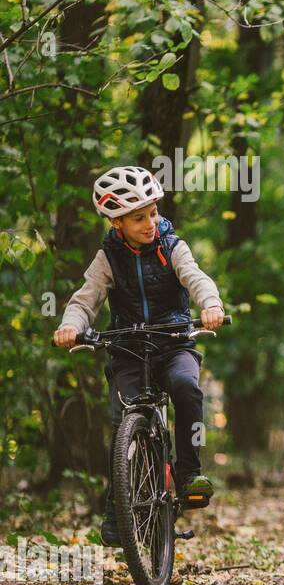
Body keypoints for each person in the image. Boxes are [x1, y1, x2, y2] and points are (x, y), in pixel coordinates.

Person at [53, 166, 226, 545]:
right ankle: (118, 510)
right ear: (117, 223)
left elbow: (195, 277)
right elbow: (86, 299)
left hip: (174, 340)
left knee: (186, 387)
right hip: (128, 349)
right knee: (123, 422)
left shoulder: (170, 244)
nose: (150, 223)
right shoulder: (108, 257)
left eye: (152, 213)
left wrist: (210, 304)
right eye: (138, 218)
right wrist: (70, 324)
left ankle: (188, 474)